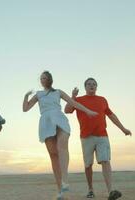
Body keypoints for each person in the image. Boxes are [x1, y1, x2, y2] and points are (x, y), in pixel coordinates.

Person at [23, 71, 98, 200]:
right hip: (46, 121)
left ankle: (65, 179)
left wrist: (87, 111)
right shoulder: (39, 94)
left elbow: (73, 103)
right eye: (41, 78)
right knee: (53, 155)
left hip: (59, 118)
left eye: (45, 78)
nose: (42, 80)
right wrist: (26, 96)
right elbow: (25, 108)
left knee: (62, 146)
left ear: (50, 79)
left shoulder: (58, 92)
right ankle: (60, 190)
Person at [64, 78, 132, 200]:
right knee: (88, 164)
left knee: (105, 160)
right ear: (85, 87)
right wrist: (73, 96)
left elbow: (111, 116)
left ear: (96, 87)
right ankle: (90, 190)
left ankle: (111, 191)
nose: (92, 86)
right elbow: (67, 110)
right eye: (89, 84)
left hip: (102, 136)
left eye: (94, 84)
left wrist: (123, 129)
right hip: (86, 137)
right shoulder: (79, 100)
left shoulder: (102, 100)